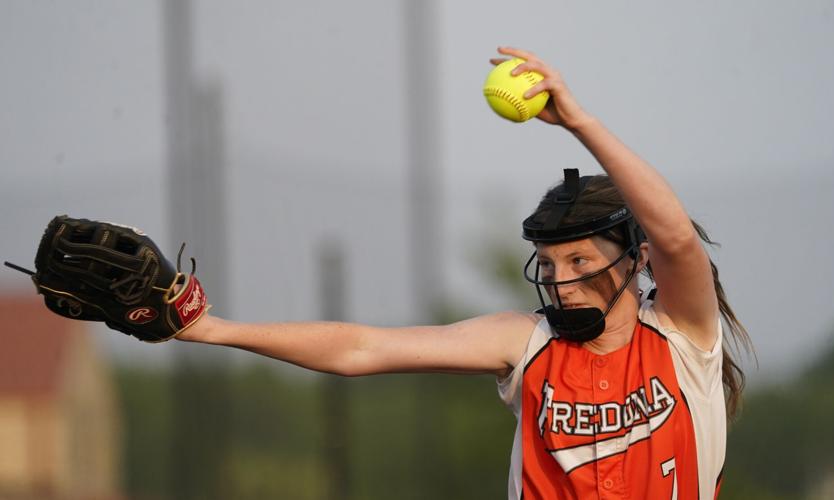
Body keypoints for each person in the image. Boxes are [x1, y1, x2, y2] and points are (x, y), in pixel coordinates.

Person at [161, 47, 752, 498]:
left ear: (636, 259)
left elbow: (674, 233)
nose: (561, 280)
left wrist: (579, 123)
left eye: (581, 261)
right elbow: (362, 349)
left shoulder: (682, 335)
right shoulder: (529, 342)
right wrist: (213, 329)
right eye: (549, 264)